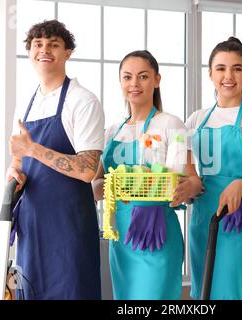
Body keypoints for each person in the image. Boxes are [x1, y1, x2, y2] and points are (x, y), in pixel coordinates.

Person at [6, 20, 104, 299]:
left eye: (53, 44)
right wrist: (13, 175)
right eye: (38, 44)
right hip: (32, 225)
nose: (44, 49)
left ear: (67, 52)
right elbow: (17, 159)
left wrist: (34, 149)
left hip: (68, 227)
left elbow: (88, 170)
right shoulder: (26, 101)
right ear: (30, 52)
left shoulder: (82, 101)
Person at [93, 50, 202, 300]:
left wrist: (187, 188)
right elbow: (96, 184)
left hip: (158, 234)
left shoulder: (170, 124)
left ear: (156, 80)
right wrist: (112, 186)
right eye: (127, 77)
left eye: (143, 76)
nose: (134, 84)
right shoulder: (111, 132)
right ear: (120, 82)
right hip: (121, 238)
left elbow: (193, 180)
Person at [186, 37, 242, 299]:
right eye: (221, 68)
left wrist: (241, 184)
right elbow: (190, 174)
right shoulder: (195, 119)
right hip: (203, 219)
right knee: (205, 292)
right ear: (210, 73)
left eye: (237, 68)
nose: (229, 76)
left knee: (241, 291)